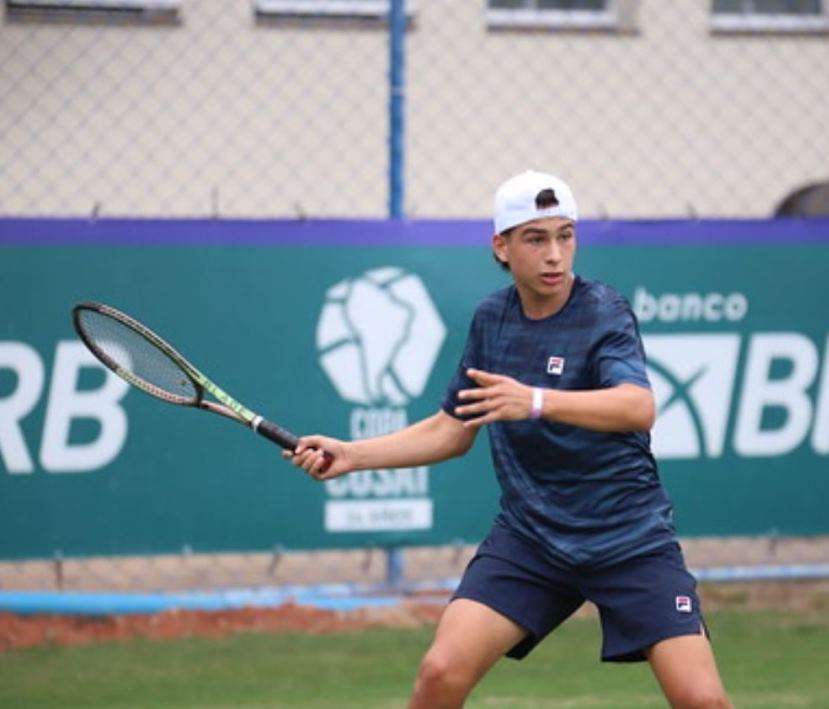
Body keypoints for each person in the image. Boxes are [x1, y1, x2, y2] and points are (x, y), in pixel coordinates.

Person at [287, 170, 731, 709]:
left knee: (702, 701)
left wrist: (537, 400)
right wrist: (352, 455)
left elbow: (638, 407)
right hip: (533, 541)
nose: (555, 255)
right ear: (501, 245)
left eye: (565, 236)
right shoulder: (491, 319)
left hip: (628, 539)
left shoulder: (603, 311)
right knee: (440, 673)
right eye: (536, 238)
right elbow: (454, 430)